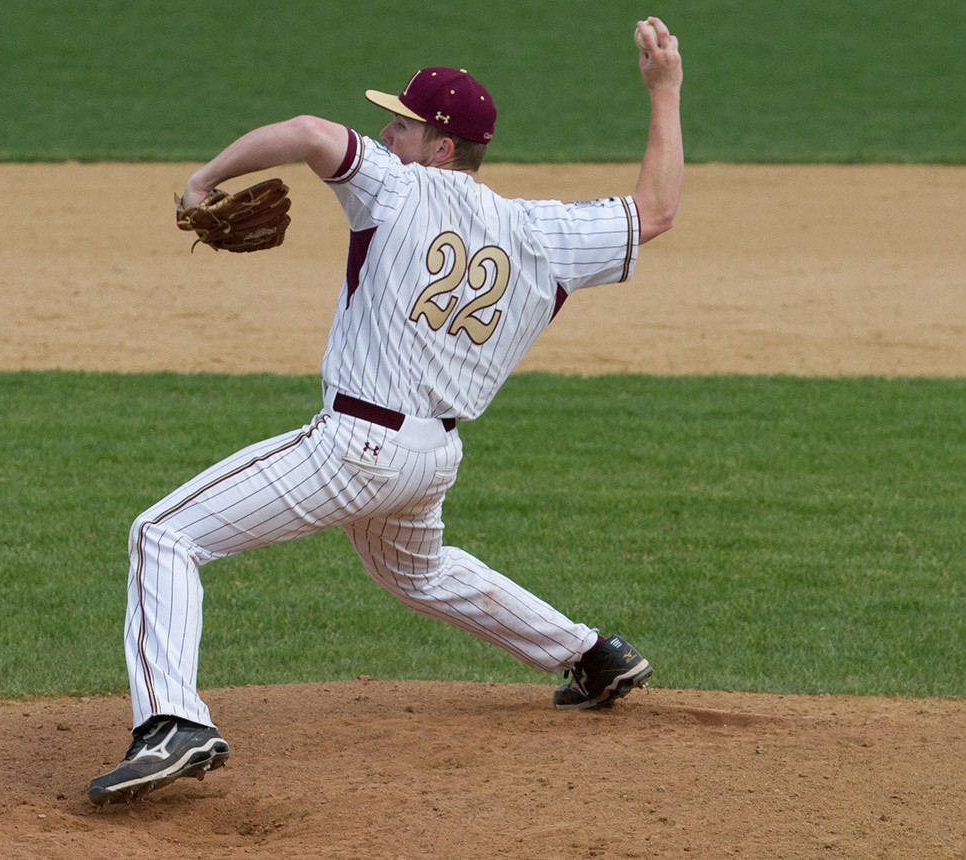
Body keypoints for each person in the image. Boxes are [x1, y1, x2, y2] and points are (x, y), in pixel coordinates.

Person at [88, 17, 683, 806]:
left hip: (354, 448)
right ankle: (593, 654)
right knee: (420, 572)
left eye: (400, 121)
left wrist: (201, 183)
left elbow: (305, 131)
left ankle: (172, 722)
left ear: (440, 145)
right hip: (431, 459)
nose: (384, 130)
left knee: (162, 535)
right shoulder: (543, 234)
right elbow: (657, 209)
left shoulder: (394, 185)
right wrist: (665, 91)